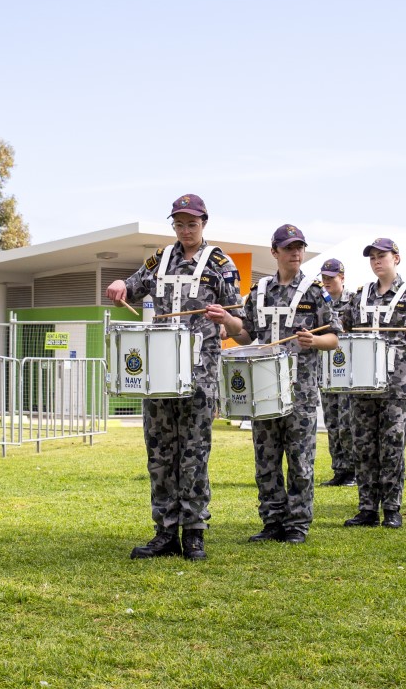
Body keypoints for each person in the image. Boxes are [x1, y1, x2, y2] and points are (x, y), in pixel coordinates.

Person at [105, 193, 242, 561]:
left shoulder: (221, 264)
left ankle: (194, 532)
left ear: (204, 224)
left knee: (194, 453)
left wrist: (226, 320)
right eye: (179, 224)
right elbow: (128, 290)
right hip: (159, 374)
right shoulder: (159, 260)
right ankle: (165, 531)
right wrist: (119, 285)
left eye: (192, 224)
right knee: (161, 455)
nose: (185, 230)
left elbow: (242, 326)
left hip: (199, 375)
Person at [230, 224, 341, 543]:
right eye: (289, 247)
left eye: (300, 247)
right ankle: (272, 521)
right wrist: (230, 329)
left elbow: (335, 337)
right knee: (266, 459)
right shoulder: (259, 291)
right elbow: (248, 335)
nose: (295, 252)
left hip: (300, 390)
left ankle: (297, 524)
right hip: (263, 391)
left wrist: (314, 342)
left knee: (300, 460)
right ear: (274, 252)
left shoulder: (314, 291)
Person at [338, 238, 406, 529]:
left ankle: (392, 509)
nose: (377, 261)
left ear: (396, 259)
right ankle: (367, 509)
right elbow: (342, 328)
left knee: (391, 448)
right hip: (363, 385)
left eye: (383, 256)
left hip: (396, 386)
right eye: (373, 257)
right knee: (364, 447)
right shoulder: (360, 295)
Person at [317, 258, 357, 487]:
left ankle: (352, 469)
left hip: (347, 369)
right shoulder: (320, 301)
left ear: (342, 277)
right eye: (324, 278)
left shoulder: (353, 301)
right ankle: (339, 469)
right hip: (327, 370)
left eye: (331, 278)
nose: (327, 282)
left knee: (347, 422)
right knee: (332, 422)